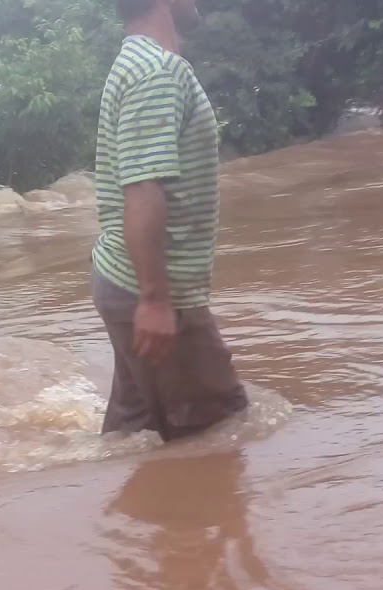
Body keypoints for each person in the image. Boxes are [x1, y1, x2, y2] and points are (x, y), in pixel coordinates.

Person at [92, 0, 248, 443]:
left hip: (124, 280)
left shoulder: (136, 62)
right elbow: (142, 188)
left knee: (131, 440)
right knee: (224, 433)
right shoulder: (156, 71)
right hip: (151, 289)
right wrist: (156, 300)